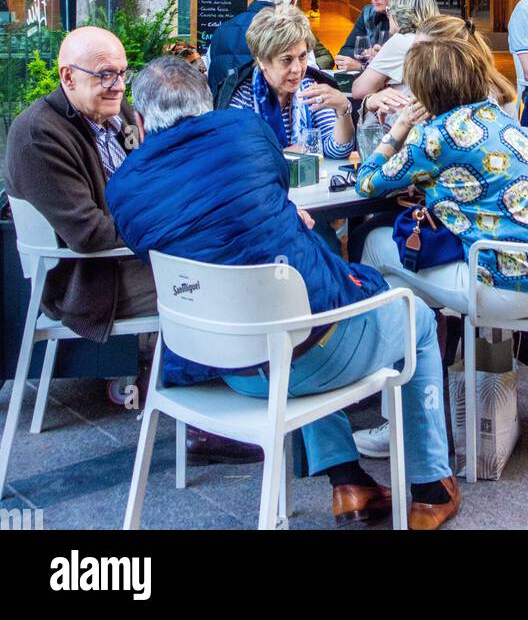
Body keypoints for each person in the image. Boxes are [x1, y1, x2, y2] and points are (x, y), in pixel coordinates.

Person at [106, 57, 459, 530]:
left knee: (289, 312)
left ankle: (348, 481)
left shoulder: (124, 187)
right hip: (310, 351)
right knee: (412, 316)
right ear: (207, 105)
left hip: (226, 365)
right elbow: (265, 191)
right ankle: (433, 488)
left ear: (143, 122)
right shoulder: (245, 130)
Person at [357, 36, 528, 314]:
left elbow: (366, 184)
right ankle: (424, 348)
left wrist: (399, 128)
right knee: (395, 282)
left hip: (507, 287)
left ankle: (373, 344)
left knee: (374, 243)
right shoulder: (497, 117)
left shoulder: (434, 137)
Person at [4, 26, 156, 341]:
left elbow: (150, 179)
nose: (118, 86)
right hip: (87, 284)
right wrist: (166, 227)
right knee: (209, 283)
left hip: (127, 258)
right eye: (105, 75)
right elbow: (88, 234)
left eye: (123, 74)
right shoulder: (38, 136)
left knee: (223, 258)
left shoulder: (119, 115)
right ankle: (183, 376)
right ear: (68, 77)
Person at [229, 7, 354, 161]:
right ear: (262, 60)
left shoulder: (309, 87)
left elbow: (337, 150)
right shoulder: (244, 97)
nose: (297, 69)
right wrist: (284, 155)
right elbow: (235, 157)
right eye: (286, 60)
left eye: (302, 57)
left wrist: (343, 109)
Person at [205, 0, 304, 96]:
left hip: (223, 112)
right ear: (293, 1)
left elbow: (208, 73)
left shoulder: (221, 31)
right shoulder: (293, 34)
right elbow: (306, 83)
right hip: (269, 114)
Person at [418, 14, 518, 117]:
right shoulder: (491, 87)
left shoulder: (481, 102)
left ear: (450, 58)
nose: (412, 58)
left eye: (420, 53)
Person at [351, 0, 439, 103]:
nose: (388, 16)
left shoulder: (401, 41)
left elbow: (359, 90)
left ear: (398, 14)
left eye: (388, 11)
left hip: (402, 114)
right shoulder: (440, 38)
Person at [335, 0, 412, 73]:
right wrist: (368, 53)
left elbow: (411, 70)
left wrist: (363, 66)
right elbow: (344, 53)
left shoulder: (414, 19)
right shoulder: (368, 13)